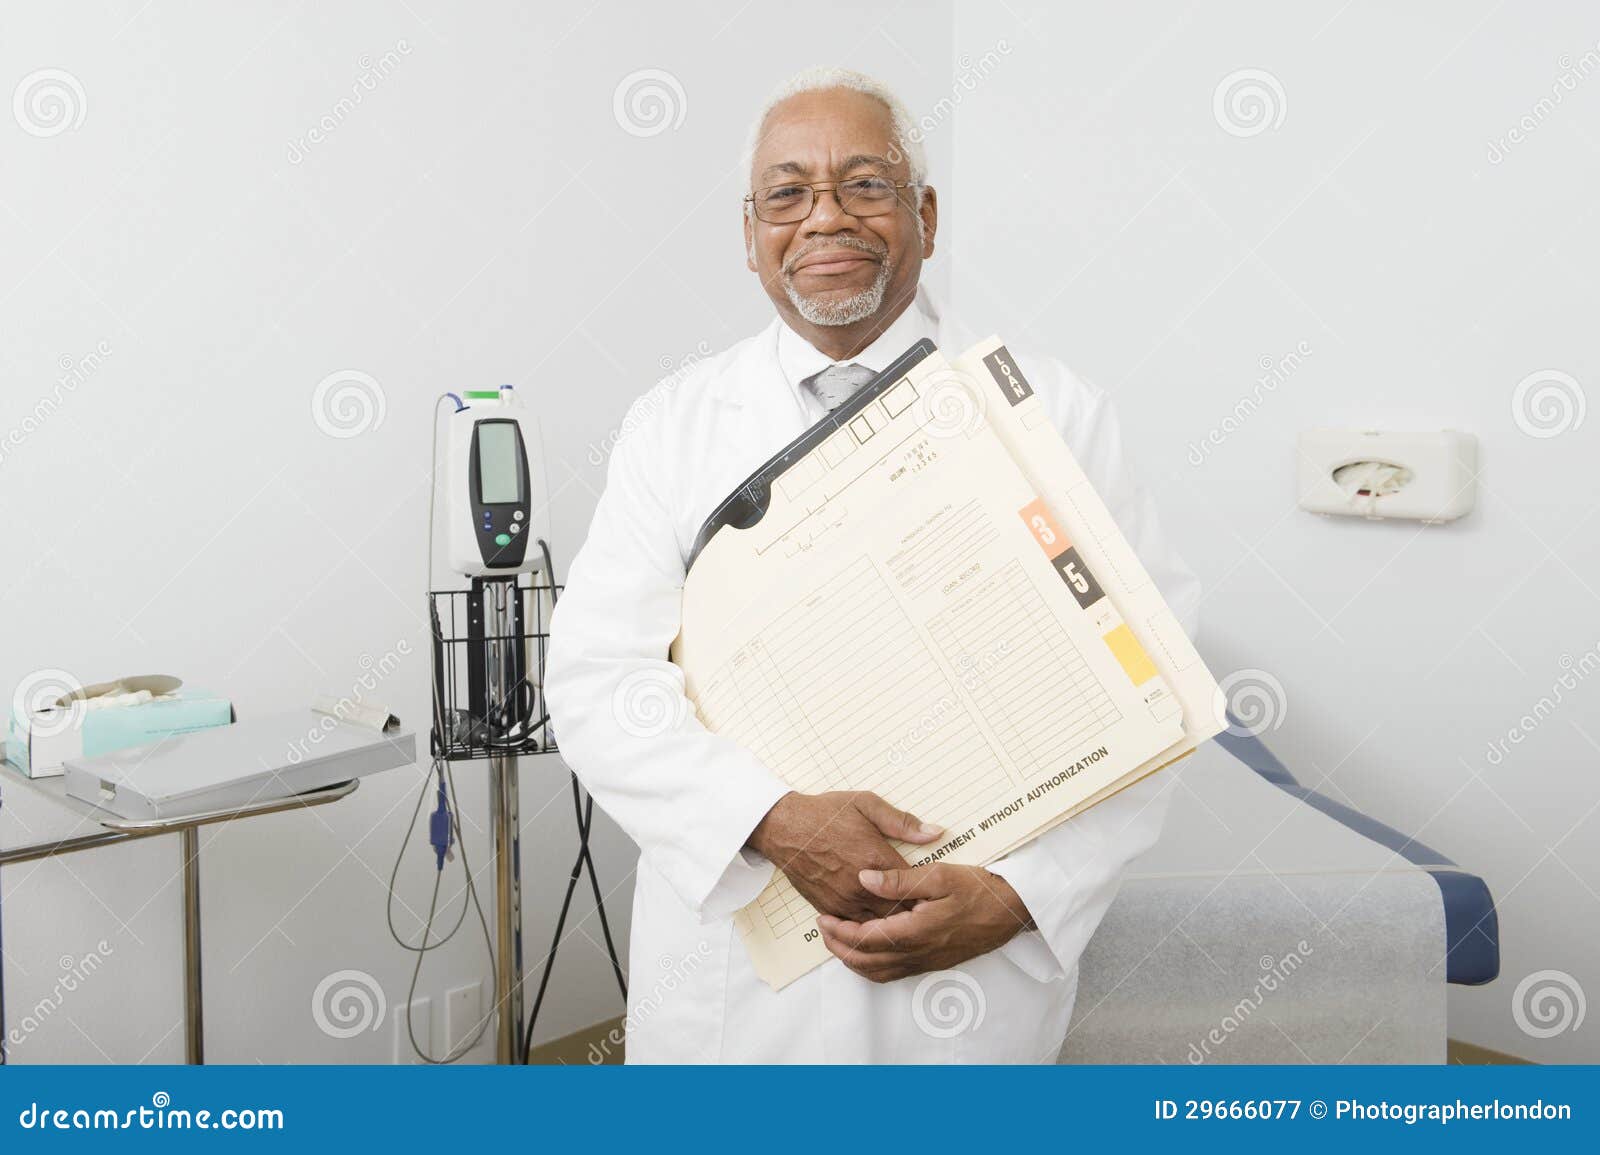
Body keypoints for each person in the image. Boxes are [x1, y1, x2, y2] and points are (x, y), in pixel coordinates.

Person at [545, 67, 1200, 1063]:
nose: (824, 218)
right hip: (739, 990)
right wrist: (767, 819)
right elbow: (598, 680)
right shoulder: (673, 426)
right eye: (787, 194)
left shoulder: (1056, 413)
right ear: (750, 235)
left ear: (923, 216)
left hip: (967, 980)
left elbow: (1159, 689)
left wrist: (1021, 896)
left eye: (863, 185)